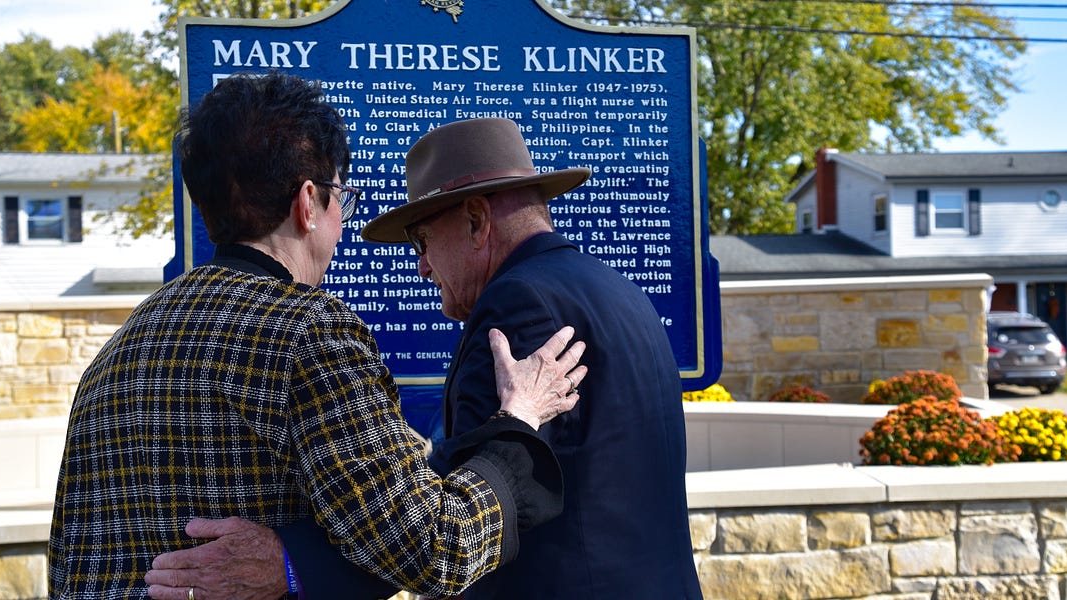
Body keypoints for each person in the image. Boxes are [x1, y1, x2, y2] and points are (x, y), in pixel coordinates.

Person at [49, 74, 589, 599]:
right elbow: (436, 549)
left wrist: (290, 561)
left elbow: (71, 571)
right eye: (340, 199)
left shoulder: (115, 354)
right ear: (309, 202)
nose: (340, 227)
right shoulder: (311, 333)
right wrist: (518, 422)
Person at [148, 117, 704, 599]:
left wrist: (290, 564)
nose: (421, 268)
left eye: (420, 241)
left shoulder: (519, 305)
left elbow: (443, 528)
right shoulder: (617, 290)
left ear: (477, 220)